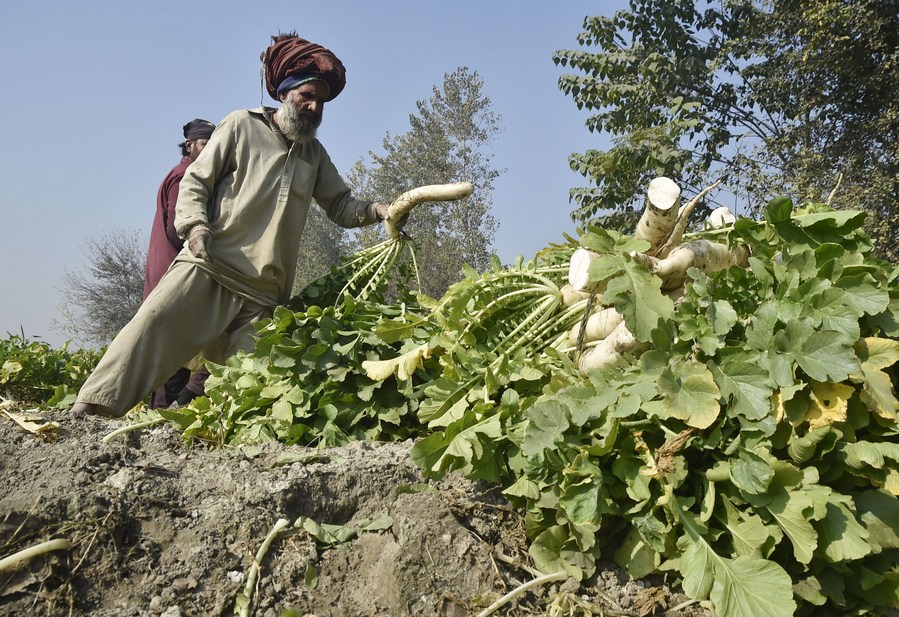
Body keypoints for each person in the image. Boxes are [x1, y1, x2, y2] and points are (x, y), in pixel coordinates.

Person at [70, 32, 403, 418]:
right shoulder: (240, 125)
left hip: (262, 294)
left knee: (238, 388)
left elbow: (341, 205)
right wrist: (195, 227)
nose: (313, 107)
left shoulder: (314, 155)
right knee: (152, 325)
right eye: (306, 97)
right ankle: (89, 412)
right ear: (284, 93)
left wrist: (381, 210)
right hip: (211, 266)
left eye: (320, 102)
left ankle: (204, 455)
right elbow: (197, 180)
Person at [144, 118, 216, 410]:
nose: (209, 150)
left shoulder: (184, 173)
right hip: (173, 272)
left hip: (168, 270)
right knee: (174, 348)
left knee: (174, 348)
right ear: (190, 145)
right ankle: (164, 414)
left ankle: (165, 412)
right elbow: (178, 227)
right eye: (204, 144)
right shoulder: (186, 175)